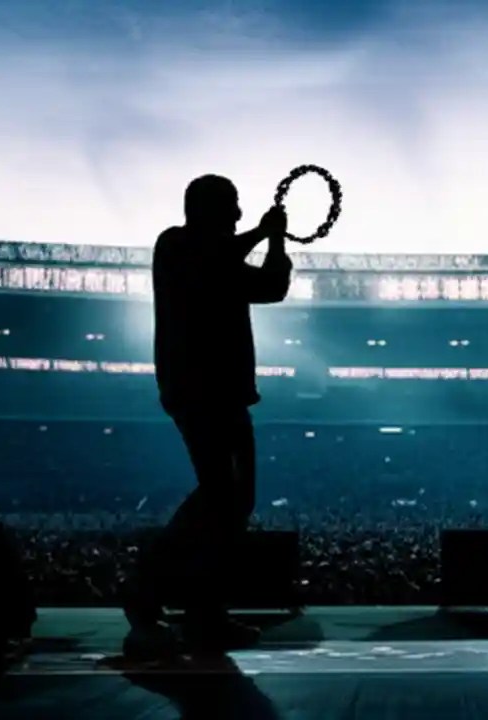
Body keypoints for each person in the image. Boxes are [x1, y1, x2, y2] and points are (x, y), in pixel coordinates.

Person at [122, 174, 293, 658]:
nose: (240, 215)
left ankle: (202, 611)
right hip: (197, 391)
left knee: (235, 501)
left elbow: (272, 286)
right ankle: (147, 591)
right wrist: (263, 234)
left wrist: (275, 238)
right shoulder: (175, 246)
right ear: (206, 209)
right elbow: (213, 261)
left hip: (227, 393)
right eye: (233, 207)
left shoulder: (219, 256)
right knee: (223, 495)